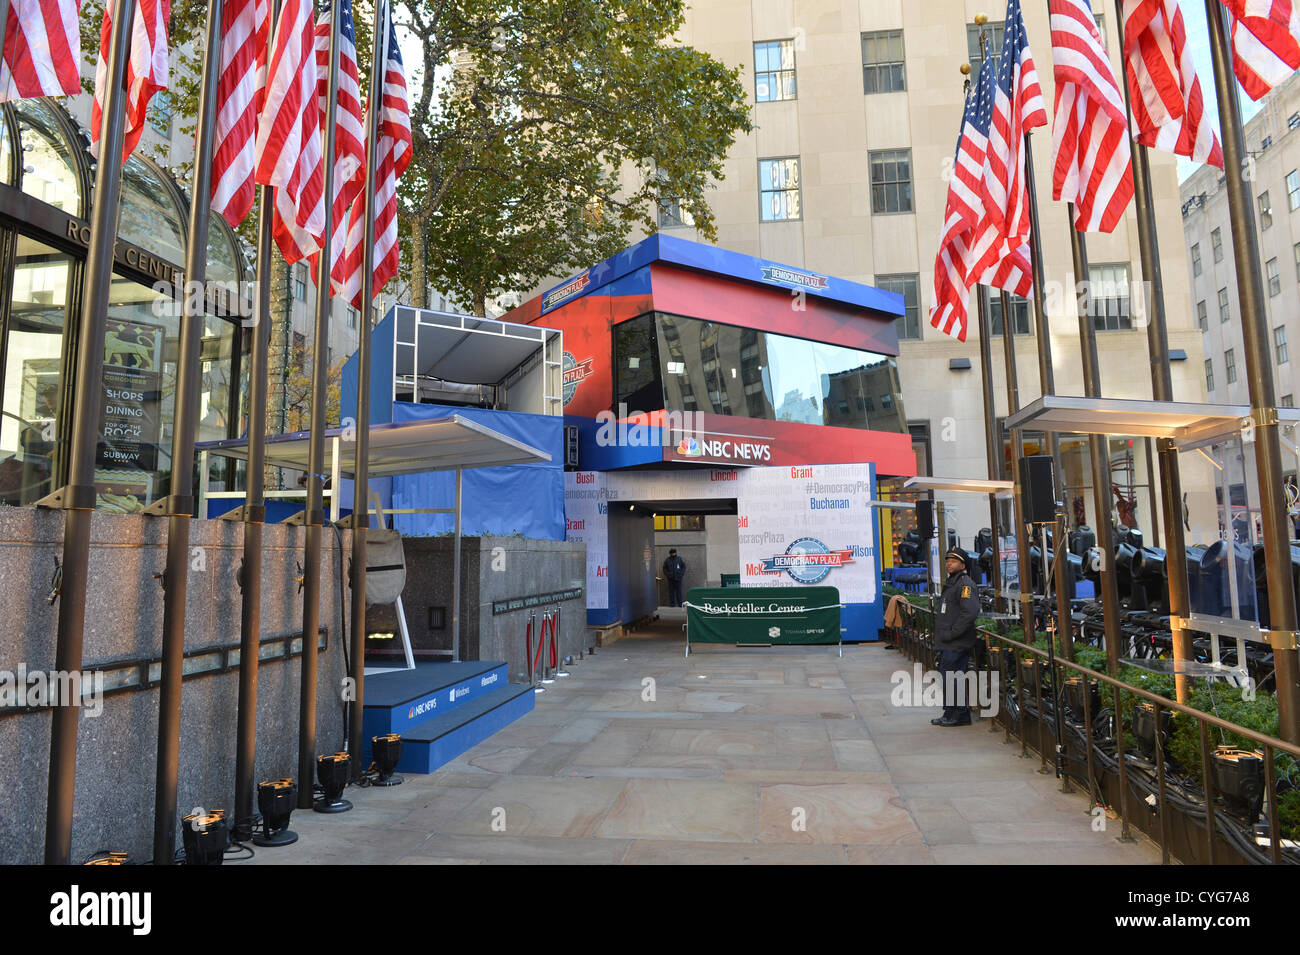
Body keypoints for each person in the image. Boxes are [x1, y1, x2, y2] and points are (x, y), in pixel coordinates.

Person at [932, 547, 979, 726]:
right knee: (947, 678)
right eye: (947, 560)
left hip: (956, 642)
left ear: (962, 564)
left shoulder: (965, 584)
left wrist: (952, 633)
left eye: (953, 561)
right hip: (948, 642)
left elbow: (970, 612)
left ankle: (961, 715)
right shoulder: (953, 582)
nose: (948, 563)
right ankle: (949, 712)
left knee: (953, 679)